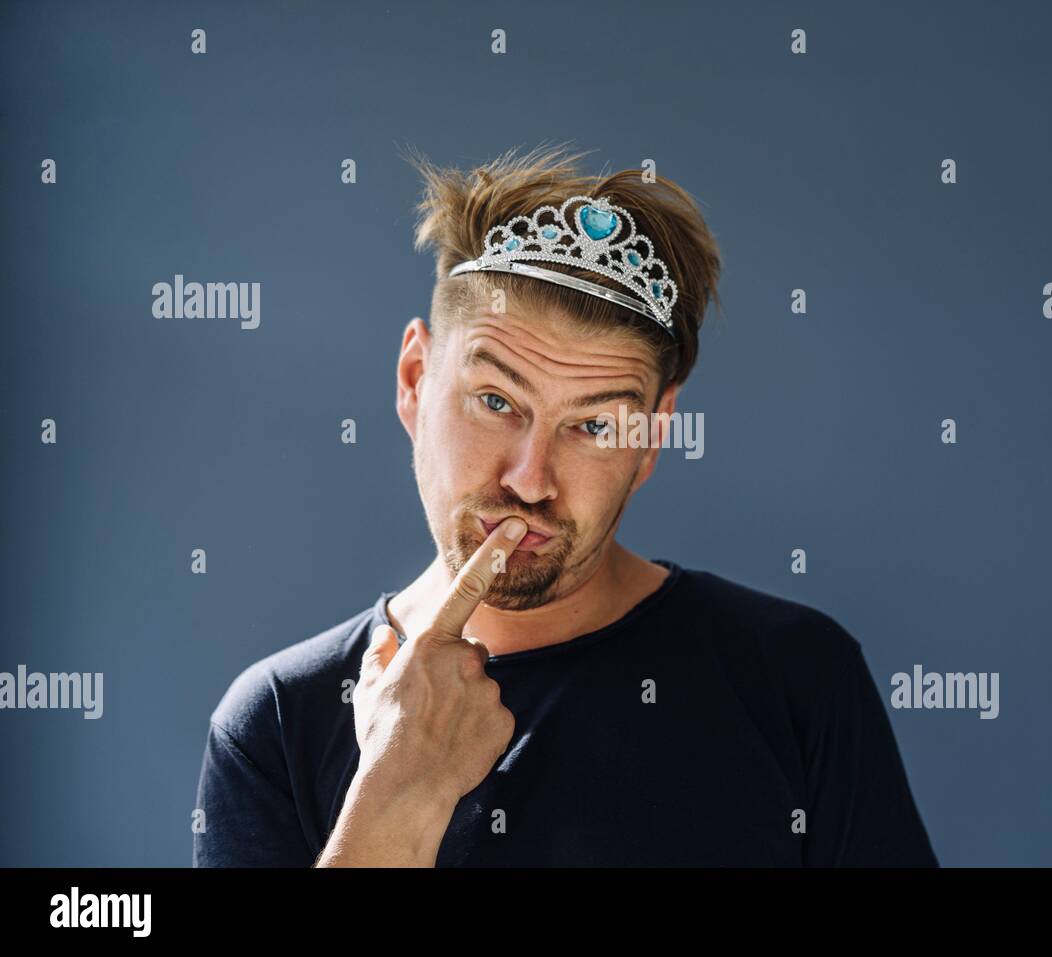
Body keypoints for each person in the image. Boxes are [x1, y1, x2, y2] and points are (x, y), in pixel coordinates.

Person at [192, 143, 938, 867]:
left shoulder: (798, 677)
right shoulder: (280, 720)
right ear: (416, 379)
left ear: (651, 438)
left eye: (594, 425)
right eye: (495, 400)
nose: (530, 479)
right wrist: (398, 798)